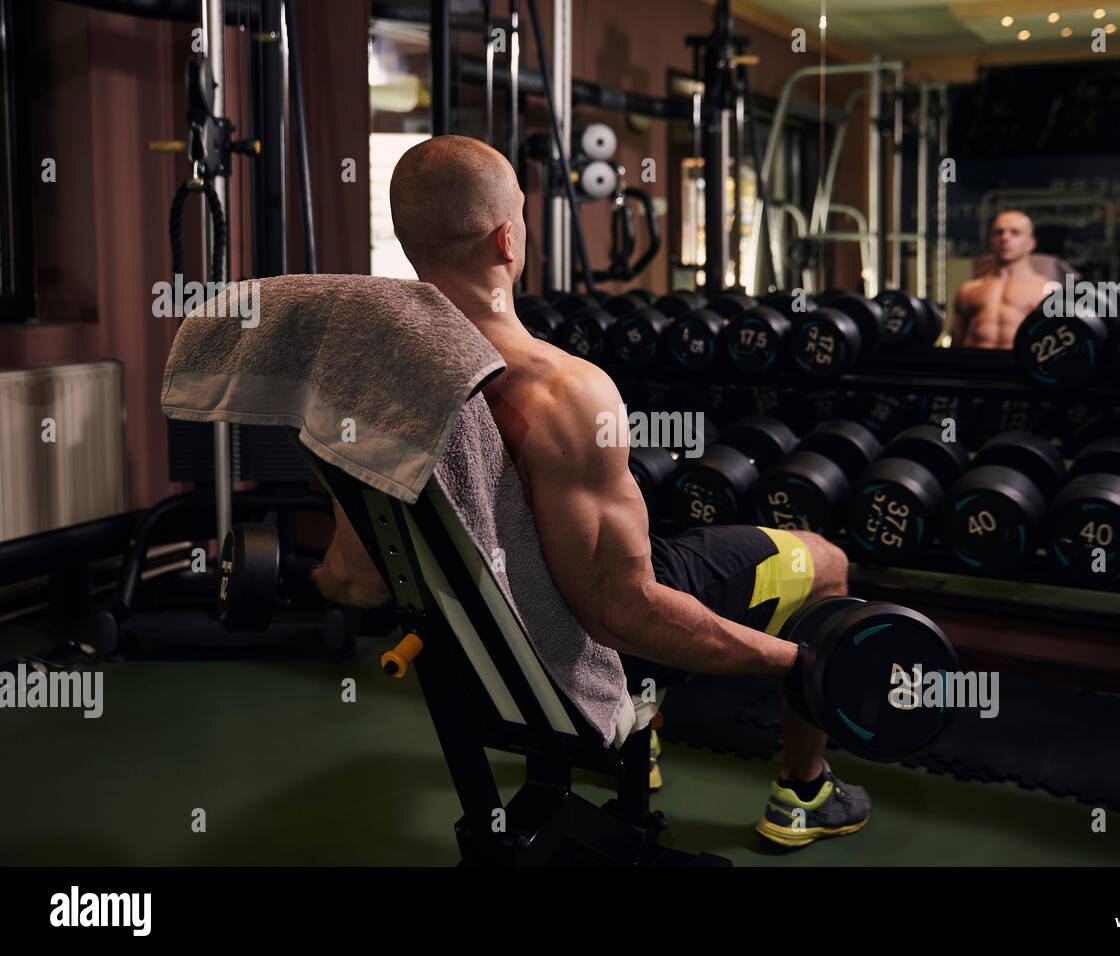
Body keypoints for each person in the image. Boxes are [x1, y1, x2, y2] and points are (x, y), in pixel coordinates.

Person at [311, 135, 868, 848]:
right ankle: (804, 791)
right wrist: (800, 661)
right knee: (825, 561)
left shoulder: (370, 388)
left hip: (484, 661)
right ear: (508, 238)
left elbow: (354, 582)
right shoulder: (564, 391)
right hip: (584, 644)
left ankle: (651, 720)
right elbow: (620, 612)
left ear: (408, 240)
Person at [950, 210, 1057, 349]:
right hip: (975, 366)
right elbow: (956, 344)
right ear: (990, 240)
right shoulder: (968, 290)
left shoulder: (1047, 291)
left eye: (1015, 233)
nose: (1005, 238)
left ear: (1031, 243)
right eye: (998, 232)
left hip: (1018, 367)